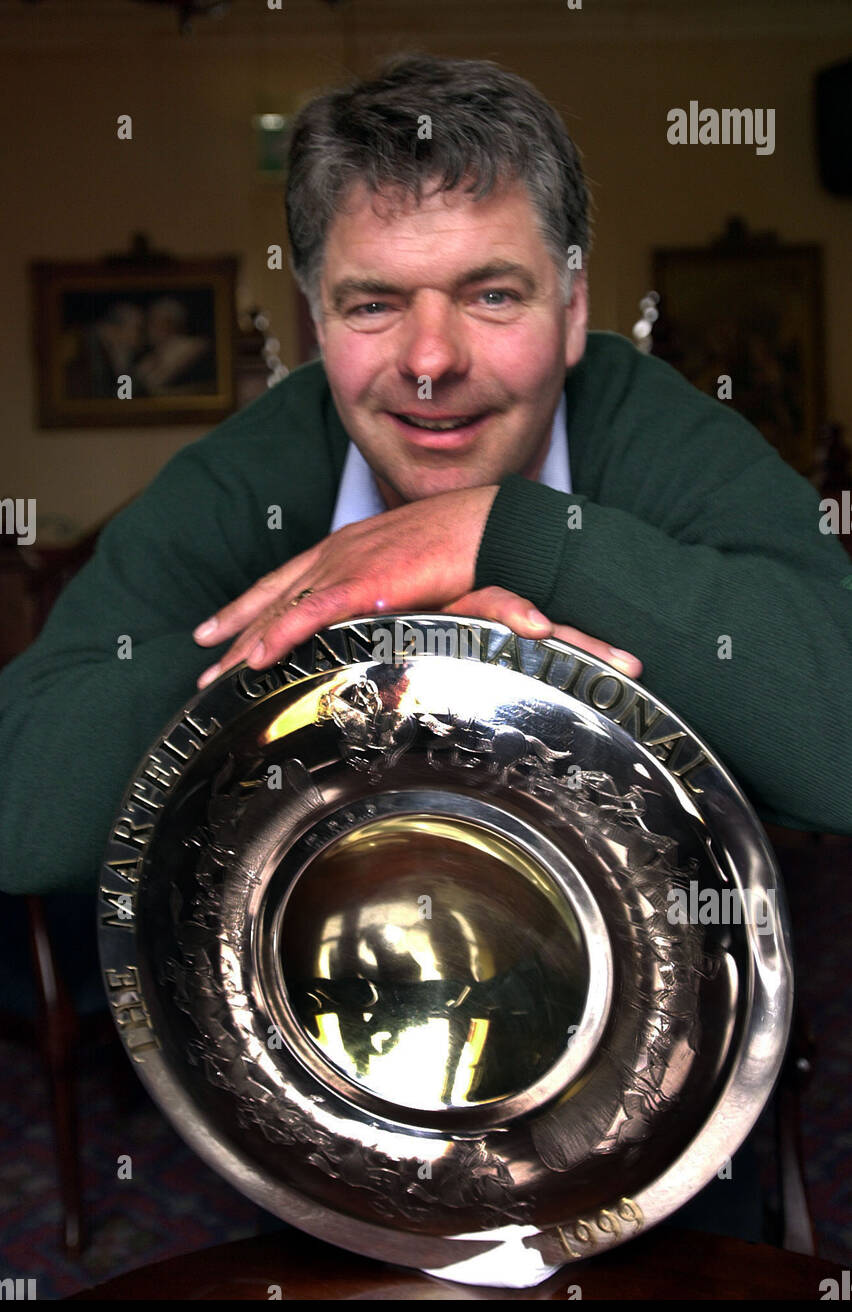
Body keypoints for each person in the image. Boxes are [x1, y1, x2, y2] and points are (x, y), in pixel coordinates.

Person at [0, 54, 849, 1247]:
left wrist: (511, 537)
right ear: (316, 317)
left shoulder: (667, 441)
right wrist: (356, 637)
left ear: (572, 306)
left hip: (665, 1108)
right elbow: (21, 797)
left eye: (492, 296)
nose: (433, 359)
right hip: (318, 1113)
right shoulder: (243, 479)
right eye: (374, 303)